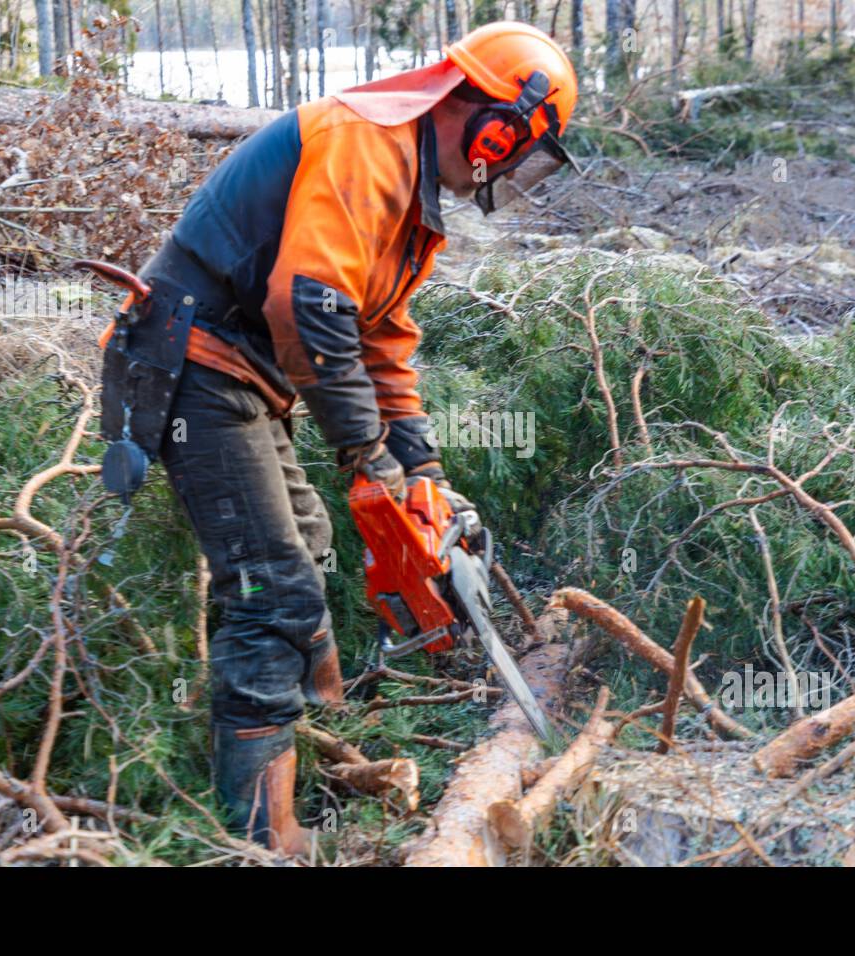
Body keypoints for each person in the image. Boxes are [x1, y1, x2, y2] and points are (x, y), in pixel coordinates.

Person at [98, 21, 579, 854]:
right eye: (514, 150)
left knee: (309, 542)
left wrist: (420, 468)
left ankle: (309, 726)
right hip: (190, 366)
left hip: (244, 376)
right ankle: (259, 836)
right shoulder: (368, 142)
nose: (504, 169)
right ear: (497, 125)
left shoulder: (411, 196)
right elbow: (312, 305)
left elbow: (382, 337)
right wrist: (368, 456)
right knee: (273, 590)